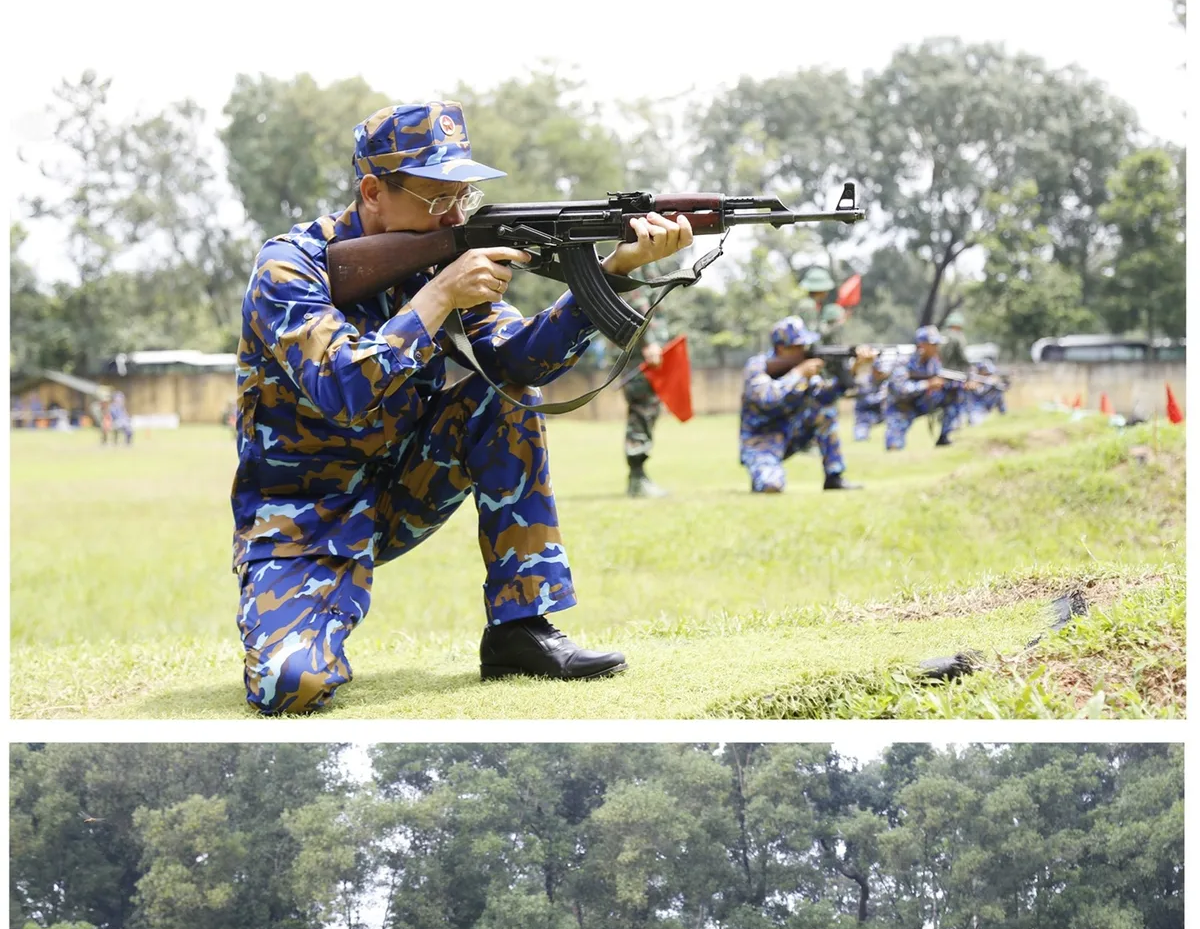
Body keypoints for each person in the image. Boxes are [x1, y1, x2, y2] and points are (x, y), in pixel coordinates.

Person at [231, 99, 693, 714]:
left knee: (500, 399)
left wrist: (610, 273)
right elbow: (343, 390)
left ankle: (520, 628)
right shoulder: (290, 267)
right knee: (293, 688)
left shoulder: (442, 257)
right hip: (301, 520)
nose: (453, 215)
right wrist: (438, 295)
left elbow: (517, 363)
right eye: (435, 199)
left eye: (463, 198)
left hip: (401, 487)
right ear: (373, 191)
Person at [739, 319, 860, 493]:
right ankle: (762, 474)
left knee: (824, 412)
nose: (804, 351)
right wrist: (798, 373)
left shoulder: (803, 369)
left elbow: (825, 397)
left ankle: (834, 477)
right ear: (781, 348)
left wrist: (853, 370)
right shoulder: (757, 366)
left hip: (792, 434)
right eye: (798, 346)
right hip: (761, 441)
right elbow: (768, 399)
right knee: (771, 486)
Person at [884, 326, 966, 451]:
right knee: (894, 447)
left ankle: (944, 437)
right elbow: (901, 389)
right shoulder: (904, 360)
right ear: (922, 345)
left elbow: (939, 379)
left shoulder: (933, 362)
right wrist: (927, 384)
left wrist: (955, 385)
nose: (937, 347)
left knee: (954, 394)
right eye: (933, 344)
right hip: (901, 407)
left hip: (921, 403)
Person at [622, 330, 668, 498]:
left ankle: (639, 478)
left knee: (646, 414)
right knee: (642, 415)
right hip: (640, 360)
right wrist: (649, 342)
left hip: (642, 357)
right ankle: (637, 479)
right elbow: (639, 308)